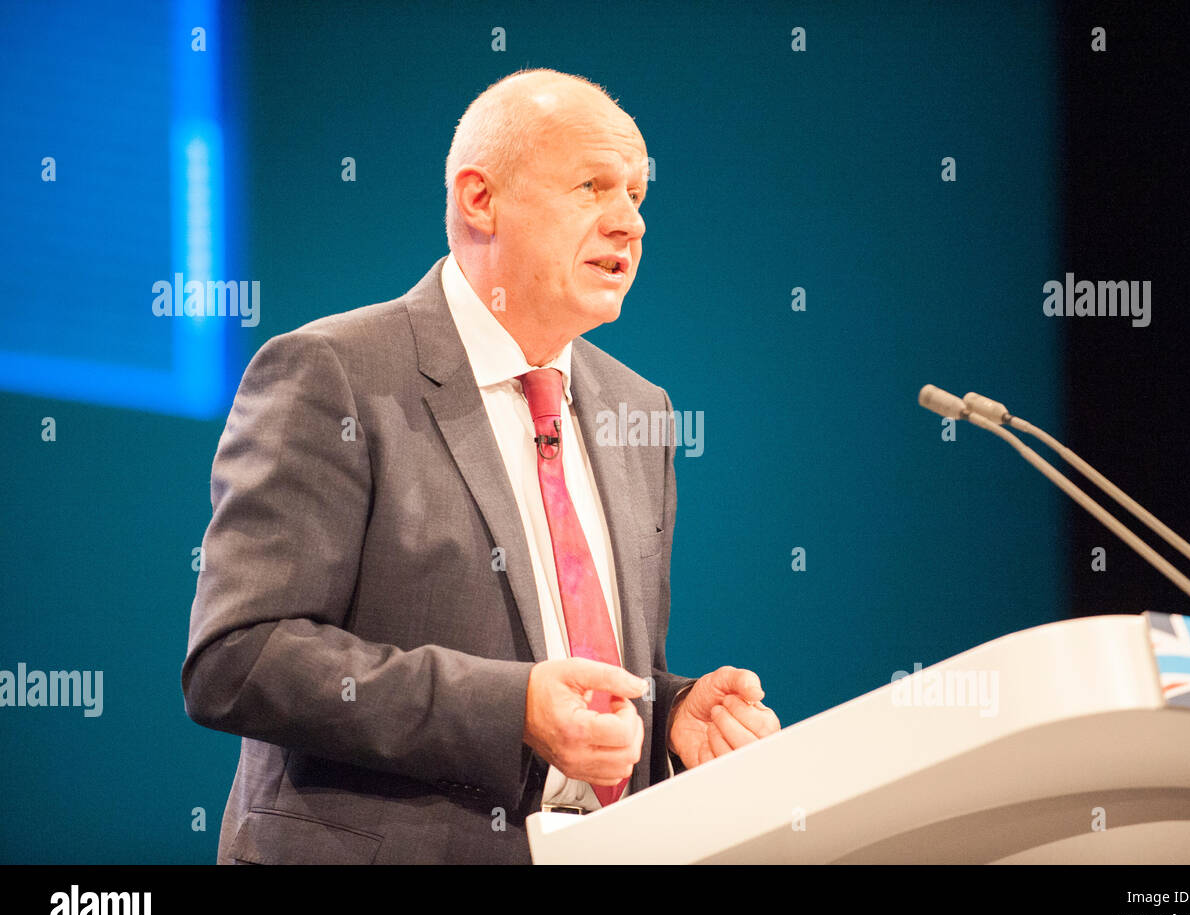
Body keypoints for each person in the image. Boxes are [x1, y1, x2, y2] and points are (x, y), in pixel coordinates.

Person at [183, 68, 780, 864]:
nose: (630, 222)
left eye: (638, 196)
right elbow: (239, 658)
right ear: (480, 200)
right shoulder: (334, 373)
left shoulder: (642, 411)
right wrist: (512, 709)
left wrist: (669, 712)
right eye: (593, 186)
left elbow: (593, 661)